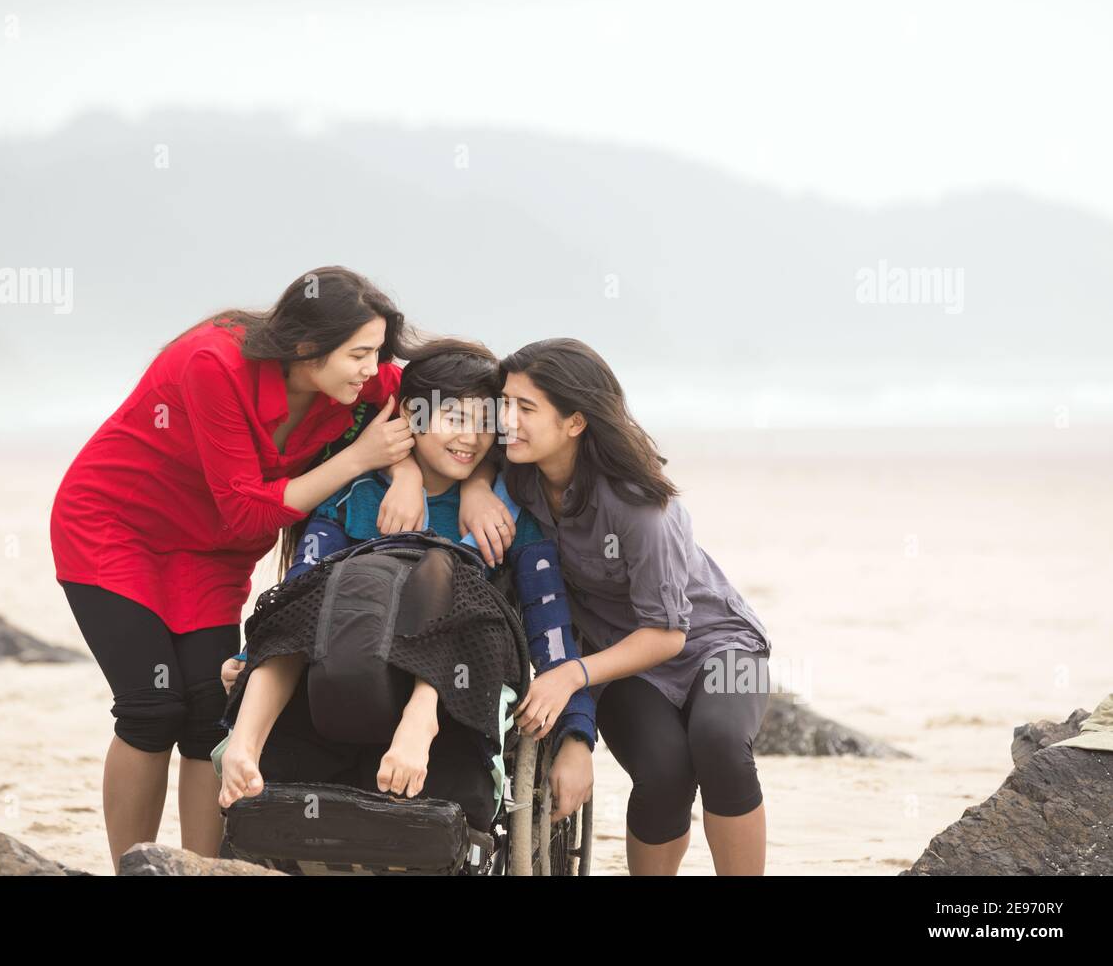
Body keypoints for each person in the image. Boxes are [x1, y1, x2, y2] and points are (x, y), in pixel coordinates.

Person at [51, 266, 451, 871]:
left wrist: (408, 472)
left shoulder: (358, 377)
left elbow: (425, 413)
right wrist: (360, 459)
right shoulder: (212, 362)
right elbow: (245, 513)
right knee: (150, 708)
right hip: (118, 529)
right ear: (304, 347)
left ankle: (197, 868)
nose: (374, 368)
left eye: (377, 353)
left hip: (210, 554)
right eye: (361, 354)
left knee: (209, 714)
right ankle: (132, 867)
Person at [216, 339, 596, 832]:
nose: (472, 438)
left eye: (486, 422)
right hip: (346, 671)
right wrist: (250, 658)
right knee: (316, 593)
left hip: (458, 695)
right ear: (411, 417)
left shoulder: (504, 516)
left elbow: (552, 636)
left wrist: (577, 739)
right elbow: (296, 591)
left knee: (445, 572)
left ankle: (421, 717)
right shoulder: (355, 498)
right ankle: (244, 745)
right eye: (454, 418)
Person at [494, 338, 773, 876]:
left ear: (575, 422)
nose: (507, 420)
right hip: (620, 659)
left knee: (719, 745)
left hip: (713, 643)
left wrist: (570, 676)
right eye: (505, 403)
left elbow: (668, 634)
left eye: (525, 408)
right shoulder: (516, 477)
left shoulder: (642, 509)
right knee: (664, 771)